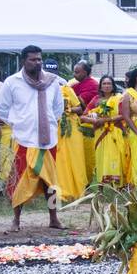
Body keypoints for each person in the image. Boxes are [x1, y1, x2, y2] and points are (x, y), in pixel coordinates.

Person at [0, 45, 66, 231]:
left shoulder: (53, 82)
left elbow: (58, 108)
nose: (37, 62)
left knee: (49, 181)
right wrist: (18, 124)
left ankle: (54, 219)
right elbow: (2, 110)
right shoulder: (12, 82)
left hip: (48, 140)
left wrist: (47, 123)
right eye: (33, 59)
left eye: (39, 59)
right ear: (23, 61)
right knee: (19, 181)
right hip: (25, 140)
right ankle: (16, 220)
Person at [84, 75, 125, 185]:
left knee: (115, 158)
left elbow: (124, 115)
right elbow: (83, 116)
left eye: (109, 84)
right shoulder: (96, 100)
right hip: (100, 133)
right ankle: (100, 187)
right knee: (101, 158)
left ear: (113, 86)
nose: (107, 86)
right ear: (100, 86)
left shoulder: (119, 98)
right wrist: (95, 120)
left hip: (115, 132)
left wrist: (108, 119)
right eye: (104, 84)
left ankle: (117, 186)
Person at [56, 74, 89, 202]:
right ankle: (62, 189)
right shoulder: (44, 92)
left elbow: (80, 108)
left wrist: (67, 109)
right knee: (61, 158)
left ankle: (78, 189)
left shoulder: (67, 89)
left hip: (72, 128)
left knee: (75, 157)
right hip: (56, 128)